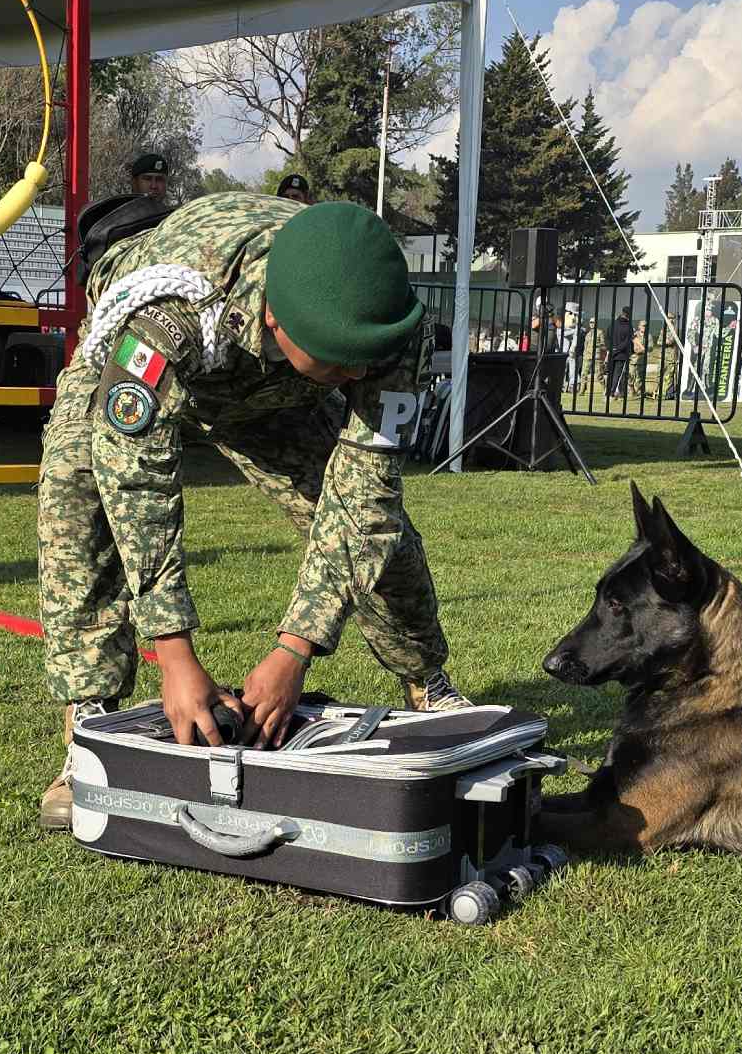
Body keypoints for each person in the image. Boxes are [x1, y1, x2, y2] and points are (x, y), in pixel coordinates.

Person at [37, 194, 470, 829]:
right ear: (273, 317)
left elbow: (364, 500)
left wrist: (293, 650)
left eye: (362, 359)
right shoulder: (173, 316)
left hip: (278, 392)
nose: (355, 374)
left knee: (381, 534)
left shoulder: (390, 327)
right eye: (337, 358)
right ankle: (92, 726)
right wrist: (175, 655)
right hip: (140, 353)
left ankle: (426, 681)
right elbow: (137, 481)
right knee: (78, 499)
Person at [608, 307, 633, 397]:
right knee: (618, 374)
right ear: (628, 315)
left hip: (612, 352)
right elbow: (627, 341)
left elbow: (608, 336)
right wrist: (618, 349)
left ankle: (609, 391)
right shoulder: (629, 326)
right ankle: (612, 392)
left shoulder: (613, 324)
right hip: (622, 354)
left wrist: (612, 349)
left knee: (611, 373)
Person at [658, 314, 680, 400]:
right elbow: (659, 342)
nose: (670, 320)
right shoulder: (663, 330)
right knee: (660, 374)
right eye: (669, 318)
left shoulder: (675, 329)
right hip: (663, 356)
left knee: (670, 376)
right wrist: (665, 341)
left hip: (671, 357)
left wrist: (666, 341)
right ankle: (659, 392)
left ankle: (668, 393)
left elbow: (671, 341)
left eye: (672, 318)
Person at [629, 321, 648, 398]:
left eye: (645, 326)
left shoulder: (648, 336)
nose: (644, 327)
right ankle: (631, 390)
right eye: (643, 325)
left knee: (640, 377)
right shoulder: (634, 335)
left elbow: (650, 346)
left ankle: (639, 392)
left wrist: (643, 349)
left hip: (642, 359)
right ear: (639, 326)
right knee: (630, 375)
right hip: (633, 359)